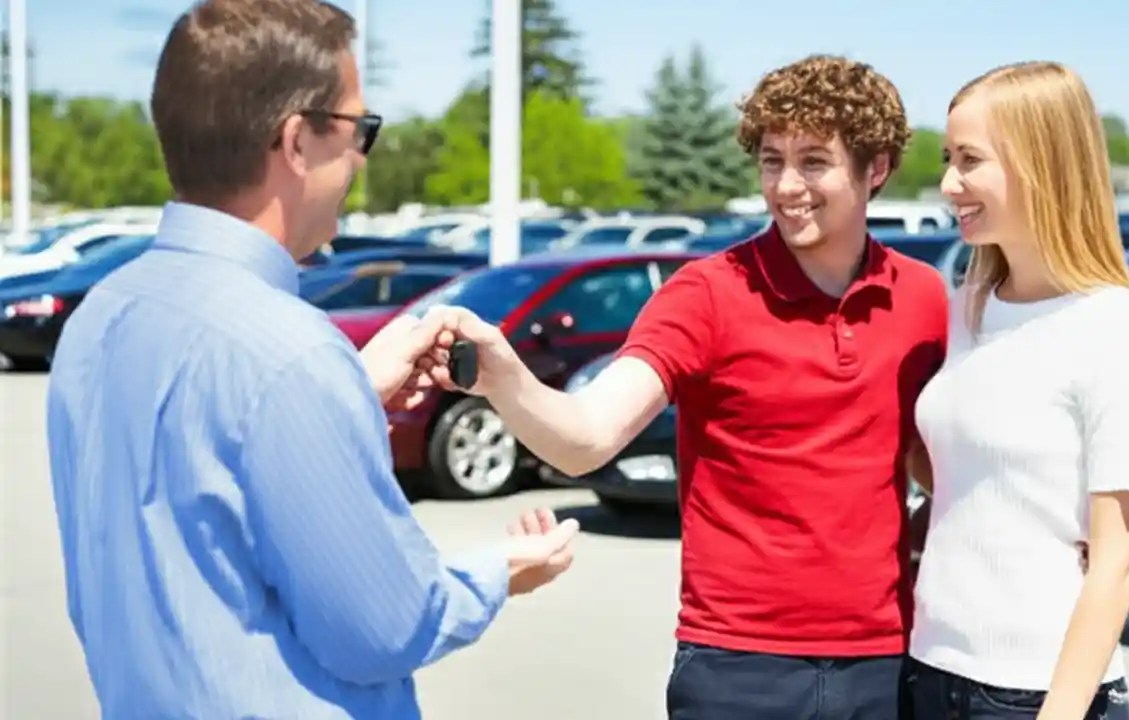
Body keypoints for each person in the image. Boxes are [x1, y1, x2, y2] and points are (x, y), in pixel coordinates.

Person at [45, 1, 579, 718]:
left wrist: (349, 391)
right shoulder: (289, 356)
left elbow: (189, 508)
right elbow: (384, 628)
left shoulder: (102, 317)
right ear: (298, 142)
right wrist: (501, 571)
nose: (360, 157)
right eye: (360, 130)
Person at [416, 55, 949, 719]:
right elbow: (586, 441)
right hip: (737, 665)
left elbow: (943, 461)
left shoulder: (925, 296)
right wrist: (502, 373)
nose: (787, 186)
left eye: (814, 161)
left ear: (878, 170)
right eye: (771, 160)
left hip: (889, 658)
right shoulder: (705, 293)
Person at [907, 61, 1129, 720]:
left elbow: (1119, 563)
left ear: (1040, 164)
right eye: (948, 158)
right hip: (928, 669)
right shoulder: (965, 306)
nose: (948, 184)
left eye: (970, 160)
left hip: (1036, 693)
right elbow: (965, 476)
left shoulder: (1113, 326)